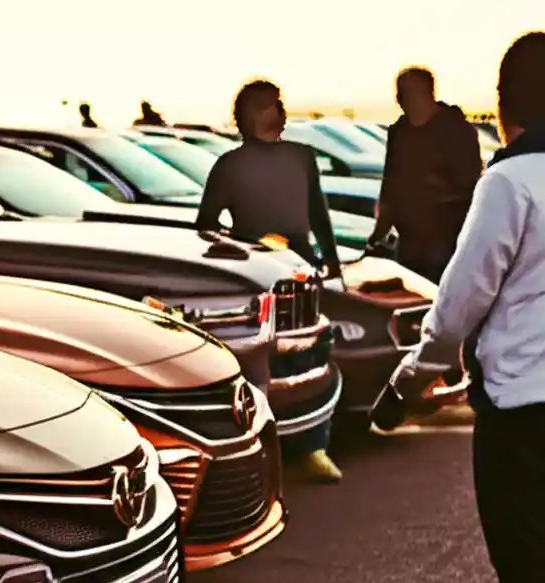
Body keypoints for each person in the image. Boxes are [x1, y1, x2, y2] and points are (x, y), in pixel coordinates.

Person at [390, 32, 545, 583]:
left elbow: (456, 307)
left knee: (529, 569)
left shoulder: (510, 182)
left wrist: (413, 373)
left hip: (523, 417)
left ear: (505, 105)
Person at [197, 79, 343, 483]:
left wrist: (331, 261)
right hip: (255, 272)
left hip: (300, 265)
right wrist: (238, 250)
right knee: (263, 362)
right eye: (266, 106)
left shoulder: (301, 156)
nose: (277, 112)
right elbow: (206, 225)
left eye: (278, 104)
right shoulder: (230, 165)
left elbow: (318, 213)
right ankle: (259, 451)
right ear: (246, 116)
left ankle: (315, 445)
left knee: (313, 356)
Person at [366, 67, 484, 283]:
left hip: (446, 241)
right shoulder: (399, 133)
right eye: (400, 94)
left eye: (408, 93)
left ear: (427, 93)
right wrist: (379, 231)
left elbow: (471, 186)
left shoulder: (456, 130)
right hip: (409, 241)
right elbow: (390, 185)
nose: (402, 100)